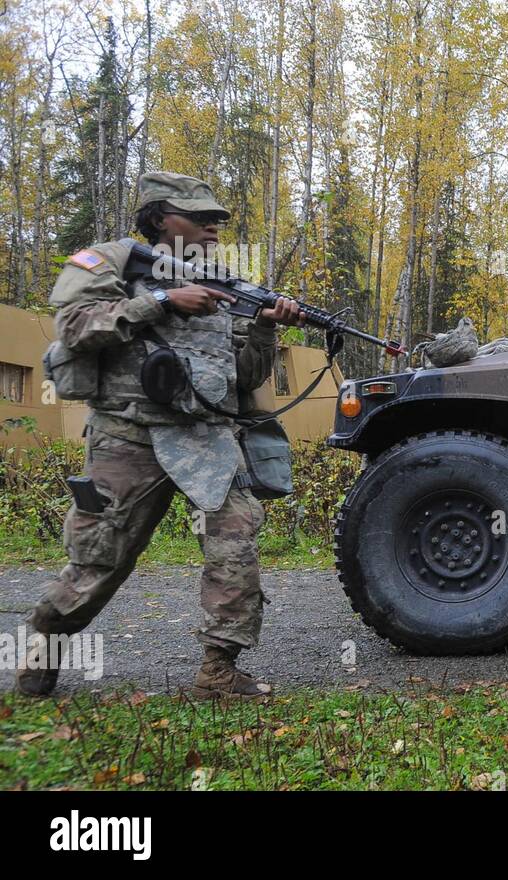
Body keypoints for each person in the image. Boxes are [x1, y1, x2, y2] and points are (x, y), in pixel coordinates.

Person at [14, 172, 303, 699]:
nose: (214, 227)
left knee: (235, 548)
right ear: (160, 217)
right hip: (129, 435)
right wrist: (163, 302)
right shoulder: (108, 263)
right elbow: (76, 327)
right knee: (100, 558)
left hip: (206, 439)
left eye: (217, 219)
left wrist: (265, 326)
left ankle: (217, 671)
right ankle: (43, 650)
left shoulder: (225, 281)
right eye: (201, 218)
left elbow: (243, 377)